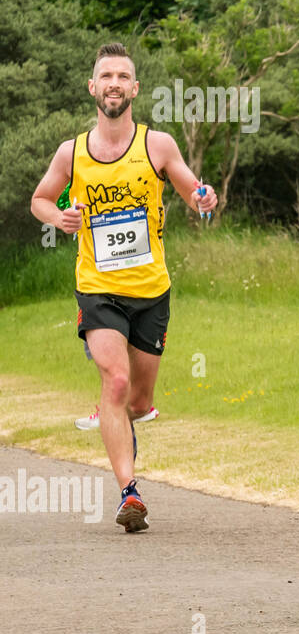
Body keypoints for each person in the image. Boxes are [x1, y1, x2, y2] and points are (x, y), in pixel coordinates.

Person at [30, 42, 218, 532]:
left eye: (123, 76)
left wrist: (204, 199)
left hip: (151, 290)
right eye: (105, 76)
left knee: (136, 402)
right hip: (97, 289)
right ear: (93, 87)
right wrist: (60, 217)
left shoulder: (157, 145)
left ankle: (116, 414)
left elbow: (193, 194)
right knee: (114, 381)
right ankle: (129, 494)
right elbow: (40, 200)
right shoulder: (72, 152)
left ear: (134, 89)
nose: (114, 83)